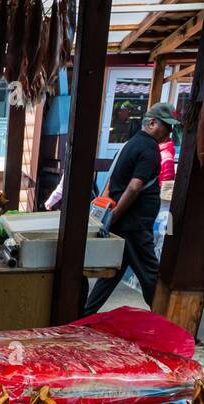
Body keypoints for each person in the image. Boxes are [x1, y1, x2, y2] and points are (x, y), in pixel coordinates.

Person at [80, 102, 178, 318]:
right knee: (150, 275)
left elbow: (111, 183)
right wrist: (114, 215)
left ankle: (86, 315)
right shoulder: (149, 149)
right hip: (134, 224)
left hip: (125, 223)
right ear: (152, 123)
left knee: (112, 274)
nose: (169, 132)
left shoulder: (129, 145)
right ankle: (165, 319)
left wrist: (112, 217)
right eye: (167, 126)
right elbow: (134, 187)